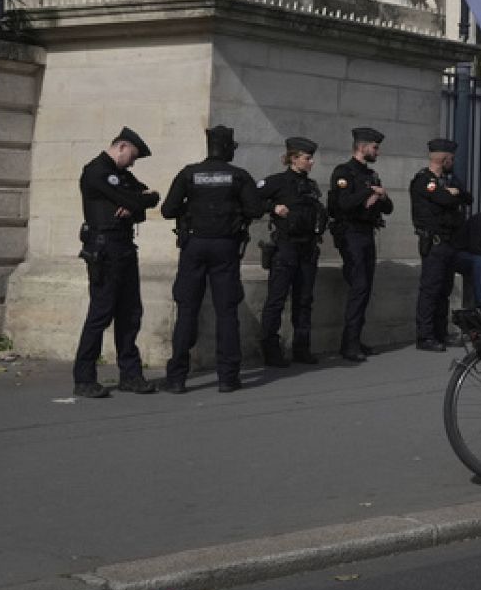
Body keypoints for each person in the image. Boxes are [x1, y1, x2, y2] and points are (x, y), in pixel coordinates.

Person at [158, 126, 263, 394]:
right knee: (227, 312)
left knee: (187, 311)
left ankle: (177, 378)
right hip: (225, 248)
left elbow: (168, 210)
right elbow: (255, 209)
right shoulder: (239, 176)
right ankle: (228, 377)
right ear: (227, 148)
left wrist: (191, 210)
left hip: (194, 246)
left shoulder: (189, 173)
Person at [72, 128, 161, 399]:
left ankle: (130, 374)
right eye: (132, 156)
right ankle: (84, 377)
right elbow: (135, 199)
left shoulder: (122, 174)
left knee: (131, 312)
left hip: (124, 247)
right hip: (104, 248)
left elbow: (152, 197)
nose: (132, 163)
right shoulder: (96, 171)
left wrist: (136, 204)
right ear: (121, 146)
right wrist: (135, 202)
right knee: (101, 313)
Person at [256, 136, 327, 368]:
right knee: (276, 300)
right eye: (307, 158)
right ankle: (271, 350)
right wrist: (272, 207)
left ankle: (301, 347)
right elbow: (251, 201)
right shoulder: (277, 182)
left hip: (307, 248)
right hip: (285, 247)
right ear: (294, 158)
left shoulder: (310, 186)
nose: (311, 162)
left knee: (304, 300)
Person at [329, 126, 394, 362]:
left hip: (367, 234)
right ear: (362, 147)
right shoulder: (344, 173)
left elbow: (388, 208)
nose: (377, 152)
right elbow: (343, 205)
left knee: (365, 289)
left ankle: (355, 339)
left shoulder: (371, 175)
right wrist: (368, 192)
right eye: (375, 147)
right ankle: (349, 345)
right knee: (358, 287)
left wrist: (382, 195)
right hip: (351, 234)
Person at [410, 138, 474, 350]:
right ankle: (425, 336)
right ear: (444, 158)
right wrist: (450, 195)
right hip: (434, 243)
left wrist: (453, 193)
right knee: (430, 290)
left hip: (449, 243)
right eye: (451, 159)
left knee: (444, 290)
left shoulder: (450, 180)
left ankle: (441, 333)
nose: (453, 162)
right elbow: (445, 200)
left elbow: (468, 197)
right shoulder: (423, 180)